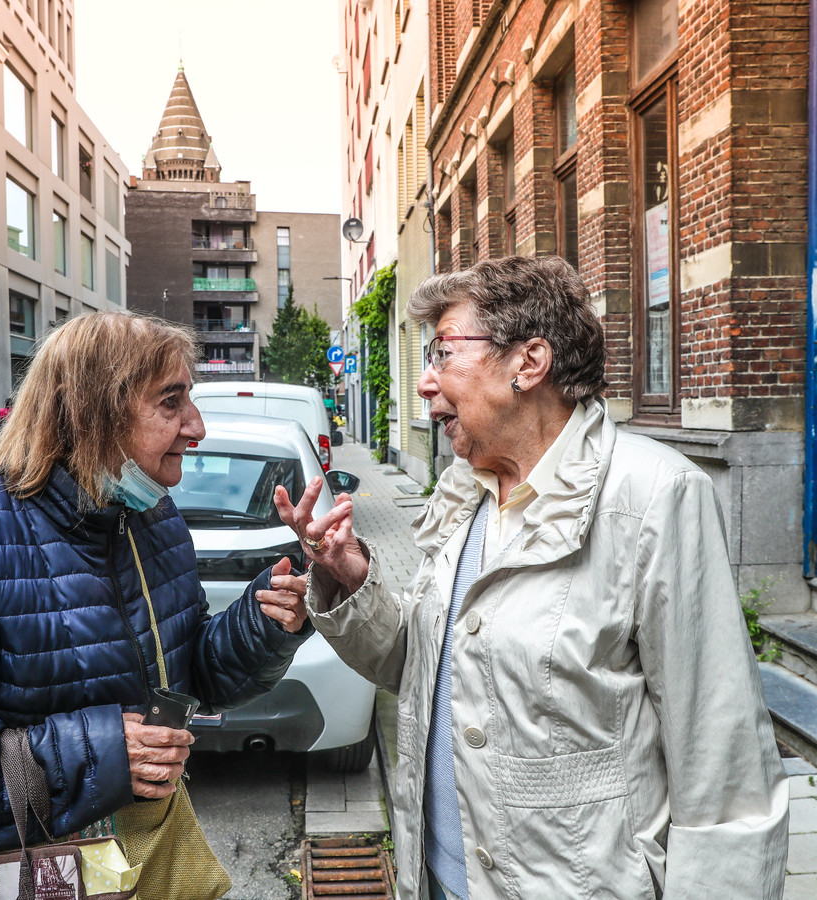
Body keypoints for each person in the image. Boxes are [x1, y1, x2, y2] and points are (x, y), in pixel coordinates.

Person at [276, 256, 789, 899]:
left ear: (529, 362)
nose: (426, 384)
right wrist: (351, 579)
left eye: (444, 354)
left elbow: (724, 761)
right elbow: (422, 669)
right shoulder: (466, 491)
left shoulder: (653, 495)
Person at [0, 311, 312, 870]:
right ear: (90, 412)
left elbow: (191, 675)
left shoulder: (151, 517)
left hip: (123, 862)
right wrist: (103, 755)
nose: (196, 425)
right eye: (170, 402)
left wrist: (267, 616)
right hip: (11, 872)